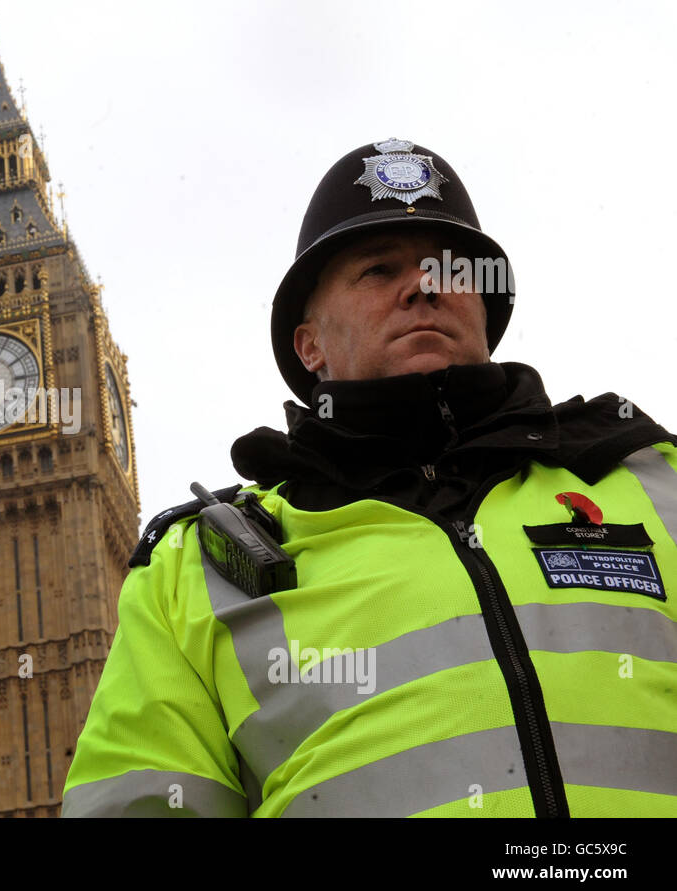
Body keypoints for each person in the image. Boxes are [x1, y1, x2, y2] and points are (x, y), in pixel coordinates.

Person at [62, 139, 677, 818]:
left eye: (448, 268)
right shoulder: (199, 569)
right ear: (309, 344)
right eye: (379, 270)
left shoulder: (649, 482)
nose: (423, 285)